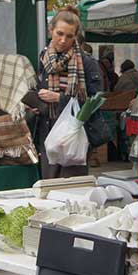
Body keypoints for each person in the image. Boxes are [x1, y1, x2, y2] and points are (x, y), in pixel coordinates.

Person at [24, 9, 103, 178]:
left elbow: (95, 102)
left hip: (74, 132)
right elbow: (41, 87)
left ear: (76, 36)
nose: (63, 40)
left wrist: (59, 98)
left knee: (72, 185)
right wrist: (37, 105)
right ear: (50, 30)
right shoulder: (45, 58)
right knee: (49, 184)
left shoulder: (87, 62)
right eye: (59, 33)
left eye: (69, 36)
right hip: (47, 129)